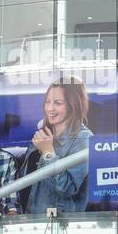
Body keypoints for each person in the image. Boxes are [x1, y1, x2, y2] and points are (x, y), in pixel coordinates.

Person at [23, 77, 92, 214]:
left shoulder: (84, 139)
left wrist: (48, 153)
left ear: (73, 105)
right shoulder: (43, 133)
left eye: (57, 103)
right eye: (48, 102)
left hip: (60, 226)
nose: (50, 108)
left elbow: (67, 189)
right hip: (30, 220)